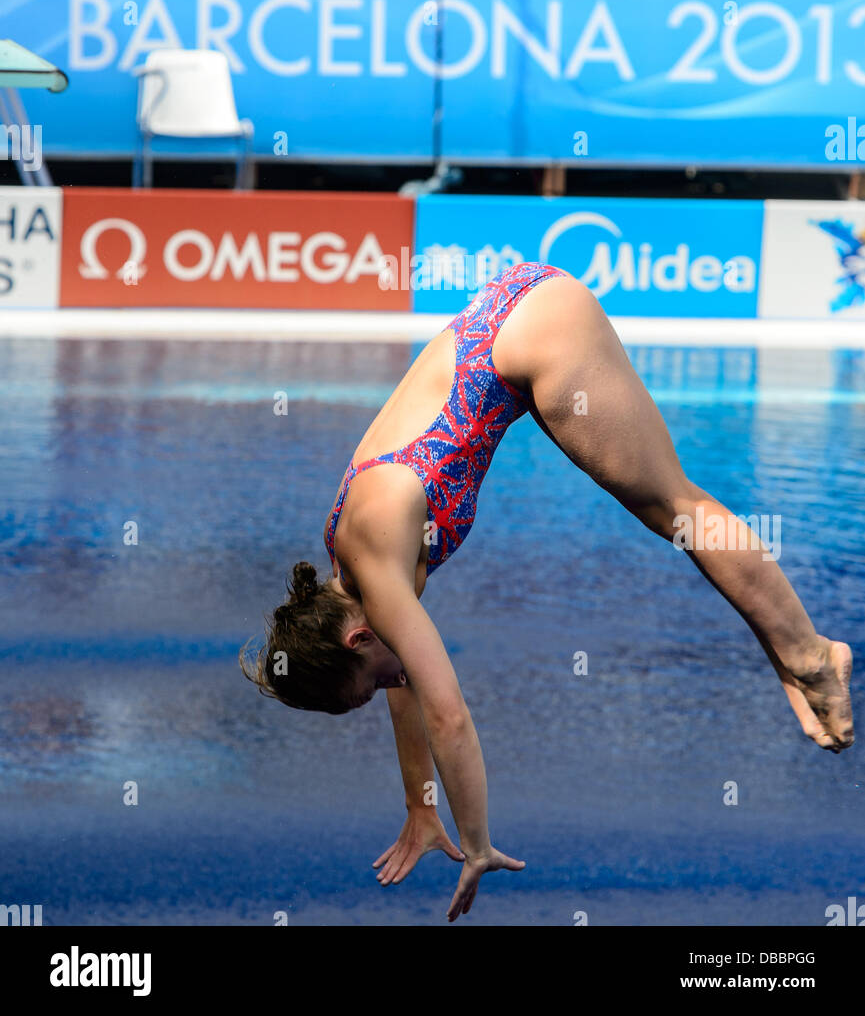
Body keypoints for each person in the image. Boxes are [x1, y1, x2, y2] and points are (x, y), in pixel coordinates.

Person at [240, 261, 855, 923]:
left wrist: (475, 844)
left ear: (356, 637)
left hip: (532, 333)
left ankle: (813, 655)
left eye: (367, 681)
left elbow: (446, 712)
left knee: (673, 507)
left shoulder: (375, 555)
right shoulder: (358, 571)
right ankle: (786, 656)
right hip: (511, 322)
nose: (390, 681)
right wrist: (421, 804)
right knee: (666, 513)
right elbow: (403, 687)